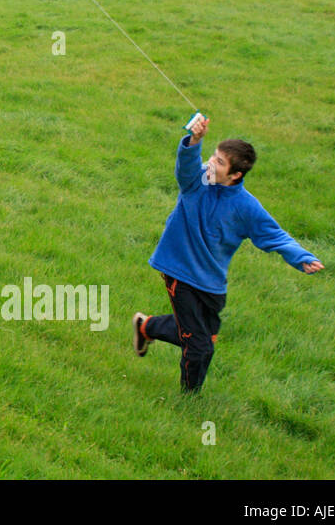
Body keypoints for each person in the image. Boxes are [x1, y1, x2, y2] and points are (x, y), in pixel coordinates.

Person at [133, 115, 323, 392]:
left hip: (212, 282)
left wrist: (301, 256)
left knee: (205, 338)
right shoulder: (198, 181)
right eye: (213, 156)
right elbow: (185, 169)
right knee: (198, 345)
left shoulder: (247, 207)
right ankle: (189, 399)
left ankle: (146, 326)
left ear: (236, 175)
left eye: (220, 162)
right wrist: (194, 141)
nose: (211, 163)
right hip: (179, 270)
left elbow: (274, 234)